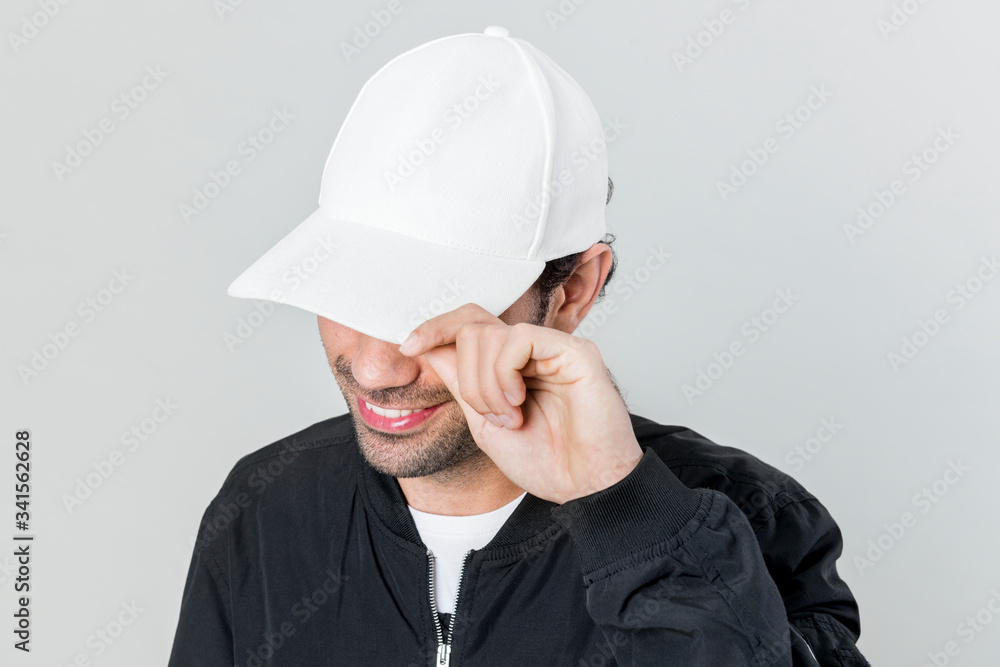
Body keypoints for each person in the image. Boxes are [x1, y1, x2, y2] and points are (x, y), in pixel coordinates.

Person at [167, 27, 870, 666]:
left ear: (572, 291)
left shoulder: (752, 521)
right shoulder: (262, 510)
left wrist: (625, 511)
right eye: (350, 292)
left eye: (434, 307)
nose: (377, 369)